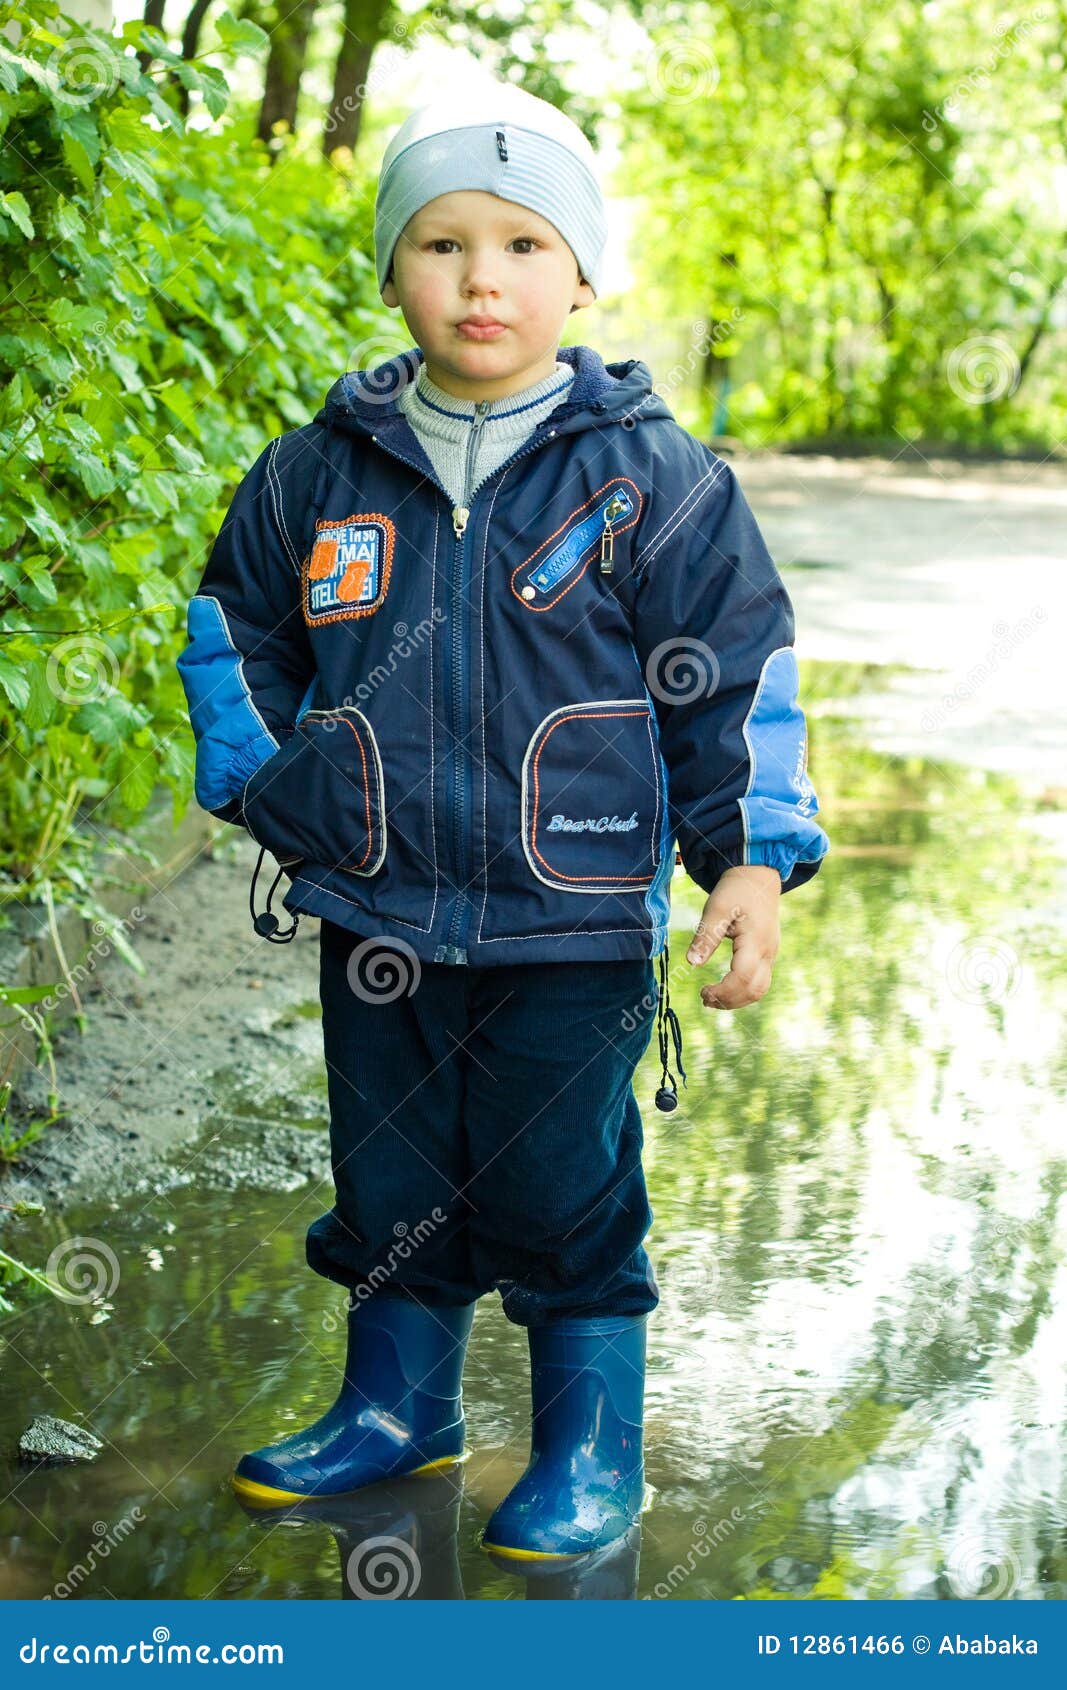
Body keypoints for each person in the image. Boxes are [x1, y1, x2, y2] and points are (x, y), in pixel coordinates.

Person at [174, 81, 831, 1564]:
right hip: (381, 914)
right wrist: (289, 788)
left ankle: (591, 1443)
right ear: (395, 268)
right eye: (445, 244)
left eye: (526, 245)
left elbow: (735, 675)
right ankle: (398, 1404)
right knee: (392, 1165)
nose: (484, 279)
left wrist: (747, 856)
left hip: (575, 918)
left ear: (581, 274)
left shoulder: (650, 478)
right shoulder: (319, 470)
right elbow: (232, 637)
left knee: (560, 1181)